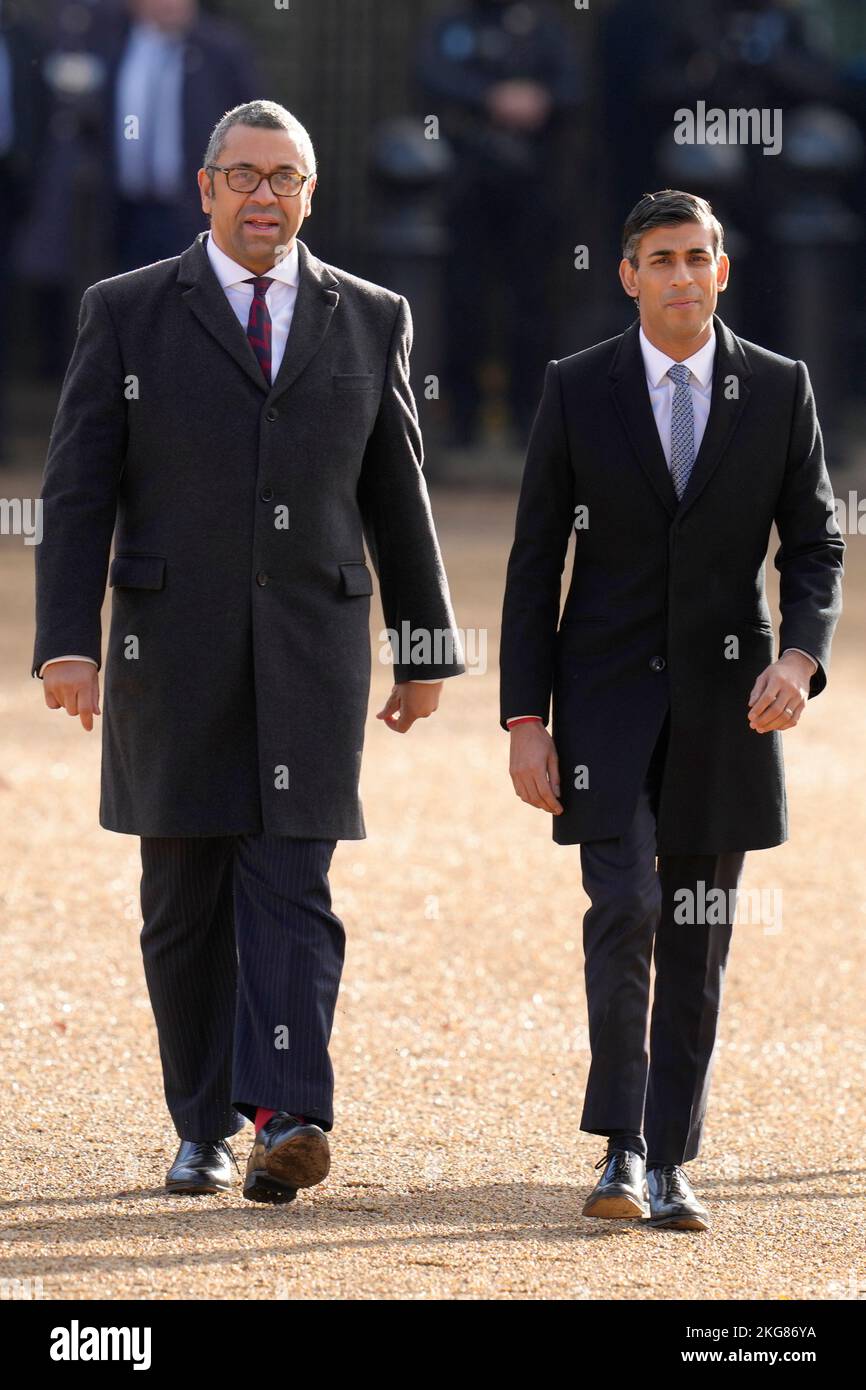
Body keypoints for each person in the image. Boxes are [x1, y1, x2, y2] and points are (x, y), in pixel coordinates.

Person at [32, 99, 464, 1204]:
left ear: (310, 195)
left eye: (286, 177)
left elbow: (395, 493)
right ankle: (202, 1125)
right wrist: (62, 646)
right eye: (244, 175)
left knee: (292, 883)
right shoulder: (125, 312)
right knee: (183, 896)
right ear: (205, 186)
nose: (265, 195)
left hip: (313, 649)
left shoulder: (370, 315)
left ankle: (288, 1114)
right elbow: (79, 489)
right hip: (166, 652)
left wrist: (422, 645)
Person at [499, 189, 844, 1232]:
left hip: (727, 710)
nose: (683, 275)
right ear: (627, 275)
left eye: (698, 256)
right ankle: (620, 1144)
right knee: (626, 906)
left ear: (722, 271)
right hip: (601, 707)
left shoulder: (779, 390)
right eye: (661, 258)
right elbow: (530, 565)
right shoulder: (576, 387)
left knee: (695, 931)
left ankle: (669, 1160)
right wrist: (524, 717)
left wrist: (797, 656)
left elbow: (815, 546)